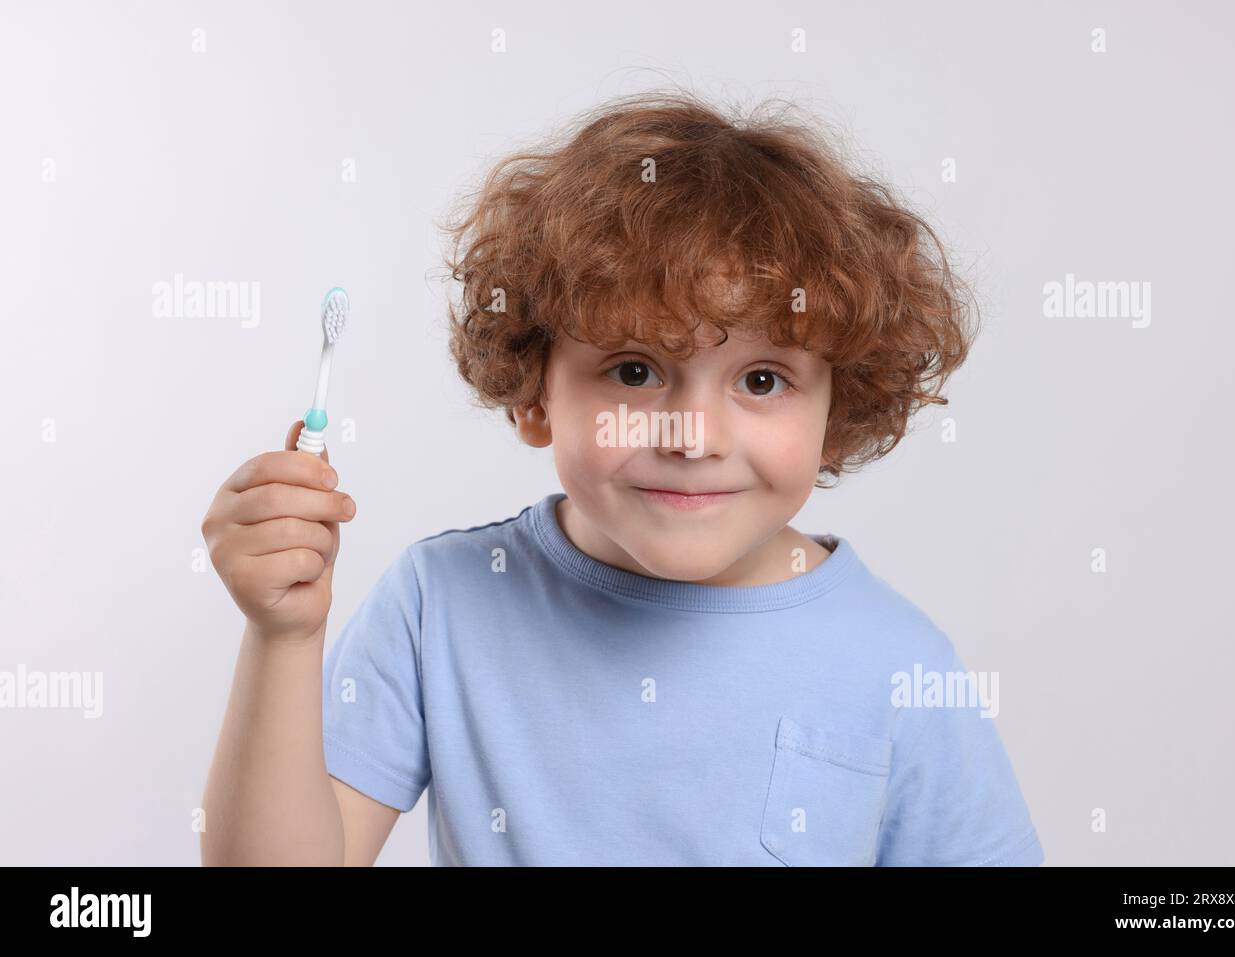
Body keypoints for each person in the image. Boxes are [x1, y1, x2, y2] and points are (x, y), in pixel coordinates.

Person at [198, 90, 1044, 866]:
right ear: (536, 393)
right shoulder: (440, 606)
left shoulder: (899, 662)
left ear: (838, 409)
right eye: (635, 371)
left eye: (761, 380)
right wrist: (285, 639)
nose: (694, 436)